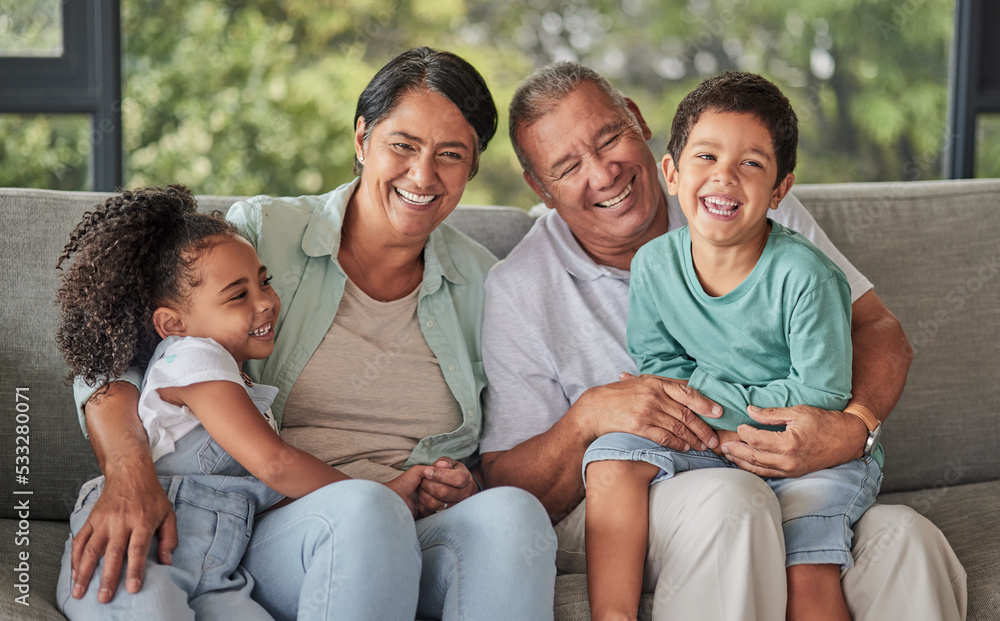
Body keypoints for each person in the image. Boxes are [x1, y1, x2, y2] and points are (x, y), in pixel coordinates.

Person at [66, 47, 557, 621]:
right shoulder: (260, 234)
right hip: (268, 528)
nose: (423, 175)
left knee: (513, 515)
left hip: (411, 527)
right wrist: (128, 470)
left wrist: (461, 484)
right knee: (366, 510)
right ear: (361, 139)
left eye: (451, 155)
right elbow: (111, 355)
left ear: (471, 168)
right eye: (402, 145)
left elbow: (502, 441)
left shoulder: (487, 283)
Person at [480, 61, 967, 620]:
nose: (604, 172)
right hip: (637, 494)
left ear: (638, 122)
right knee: (733, 503)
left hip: (779, 466)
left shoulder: (739, 200)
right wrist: (589, 417)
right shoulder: (518, 289)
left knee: (907, 539)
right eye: (566, 166)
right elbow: (507, 485)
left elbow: (881, 332)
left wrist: (852, 427)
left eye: (610, 137)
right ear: (541, 189)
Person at [54, 185, 435, 618]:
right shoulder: (192, 357)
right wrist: (380, 494)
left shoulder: (246, 392)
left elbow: (273, 491)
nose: (266, 302)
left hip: (221, 567)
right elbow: (276, 465)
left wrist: (386, 511)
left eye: (264, 282)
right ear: (172, 323)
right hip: (141, 540)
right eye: (238, 295)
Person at [583, 72, 881, 621]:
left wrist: (716, 411)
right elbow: (660, 365)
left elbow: (822, 392)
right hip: (710, 436)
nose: (724, 177)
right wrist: (707, 427)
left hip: (810, 451)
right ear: (671, 172)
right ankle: (613, 614)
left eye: (751, 164)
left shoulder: (806, 276)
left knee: (806, 571)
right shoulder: (654, 265)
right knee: (610, 455)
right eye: (706, 157)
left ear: (779, 190)